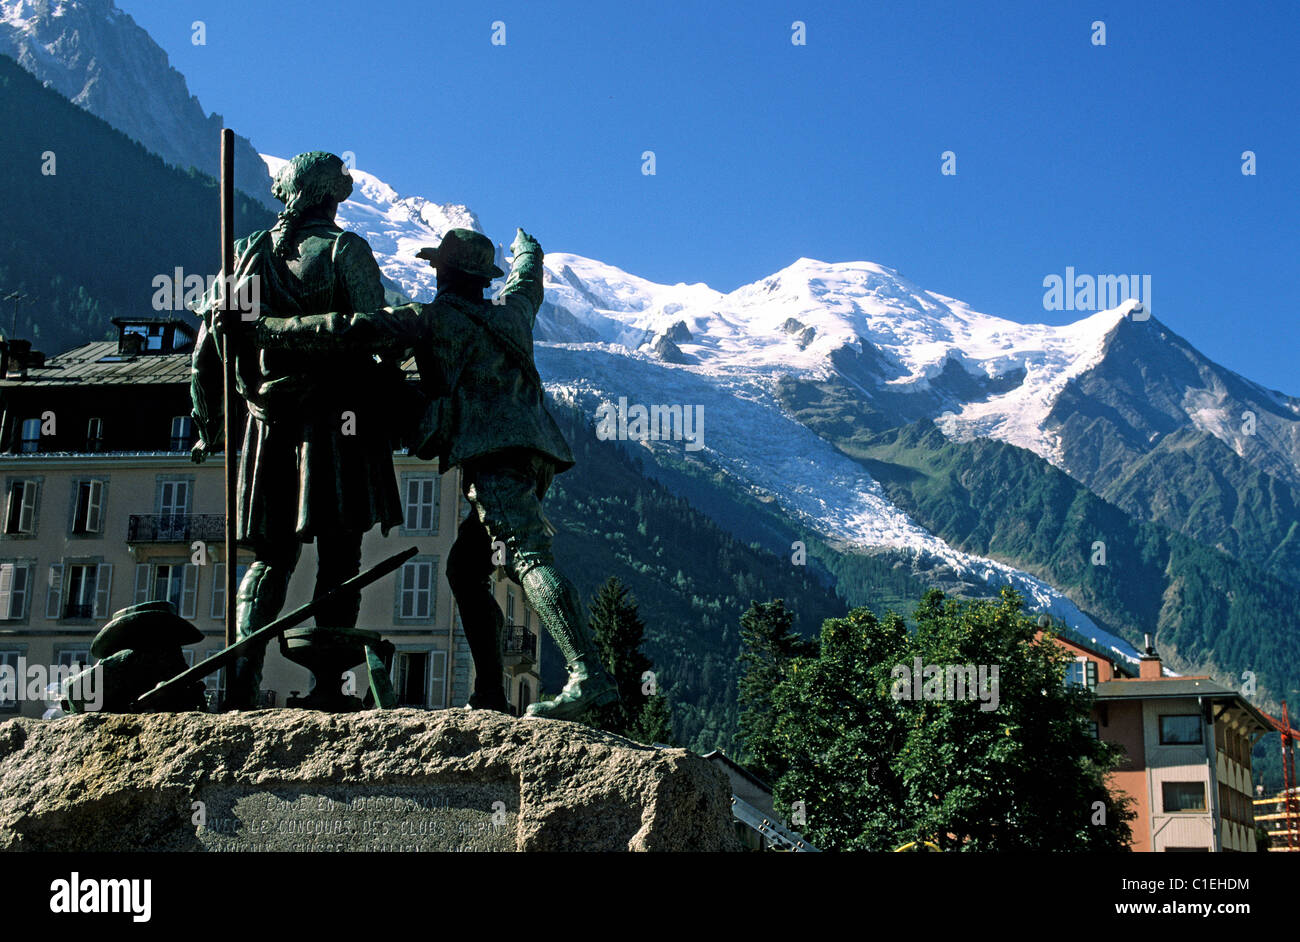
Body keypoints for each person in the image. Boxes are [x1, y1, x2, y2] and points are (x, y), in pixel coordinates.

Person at [252, 227, 619, 722]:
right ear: (483, 278)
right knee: (467, 569)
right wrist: (526, 248)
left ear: (442, 272)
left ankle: (588, 674)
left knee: (528, 555)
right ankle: (490, 689)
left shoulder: (427, 319)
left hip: (494, 454)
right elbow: (530, 280)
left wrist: (271, 329)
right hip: (534, 455)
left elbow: (350, 328)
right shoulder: (512, 314)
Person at [190, 151, 404, 710]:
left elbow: (207, 352)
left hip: (269, 426)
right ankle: (328, 687)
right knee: (340, 556)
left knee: (269, 560)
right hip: (340, 425)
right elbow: (373, 333)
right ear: (333, 196)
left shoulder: (244, 254)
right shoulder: (345, 251)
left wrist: (209, 424)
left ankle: (239, 685)